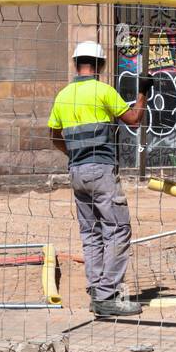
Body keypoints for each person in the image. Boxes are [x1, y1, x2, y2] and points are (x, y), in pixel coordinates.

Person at [47, 41, 150, 317]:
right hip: (101, 169)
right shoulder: (104, 91)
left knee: (91, 232)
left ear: (75, 63)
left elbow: (54, 135)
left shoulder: (63, 96)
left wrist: (74, 153)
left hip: (76, 171)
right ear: (101, 65)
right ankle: (107, 296)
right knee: (117, 229)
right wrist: (143, 92)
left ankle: (95, 289)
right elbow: (134, 119)